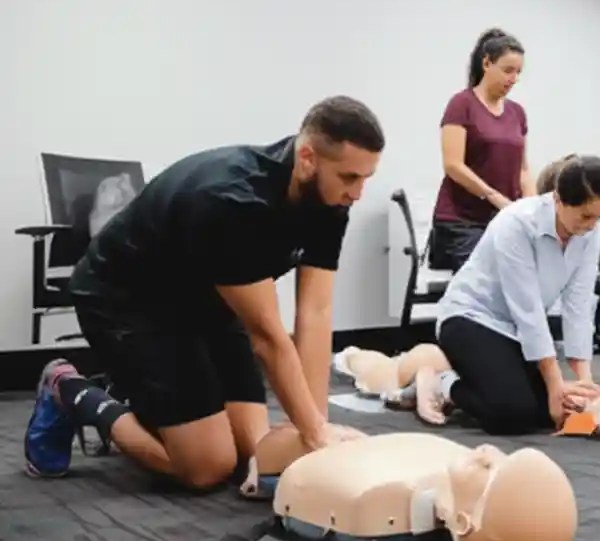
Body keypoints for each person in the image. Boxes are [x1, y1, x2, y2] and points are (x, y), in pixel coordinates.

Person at [23, 96, 382, 489]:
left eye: (366, 178)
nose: (358, 193)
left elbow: (315, 312)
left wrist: (316, 429)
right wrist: (313, 434)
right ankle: (70, 389)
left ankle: (144, 394)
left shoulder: (329, 199)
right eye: (350, 178)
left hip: (206, 296)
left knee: (255, 453)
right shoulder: (233, 201)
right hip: (128, 299)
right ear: (308, 158)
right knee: (208, 467)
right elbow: (267, 338)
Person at [415, 155, 600, 435]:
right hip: (471, 319)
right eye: (585, 216)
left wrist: (586, 384)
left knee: (557, 408)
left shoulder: (589, 232)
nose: (592, 226)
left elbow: (579, 306)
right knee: (510, 413)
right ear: (558, 199)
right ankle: (442, 383)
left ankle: (491, 384)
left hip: (515, 332)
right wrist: (554, 382)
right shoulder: (517, 222)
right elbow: (528, 308)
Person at [428, 28, 536, 271]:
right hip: (462, 224)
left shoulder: (517, 113)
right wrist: (495, 197)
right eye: (508, 70)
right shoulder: (461, 104)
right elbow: (453, 165)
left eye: (518, 72)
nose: (514, 78)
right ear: (486, 63)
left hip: (503, 222)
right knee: (489, 280)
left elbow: (523, 169)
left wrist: (532, 209)